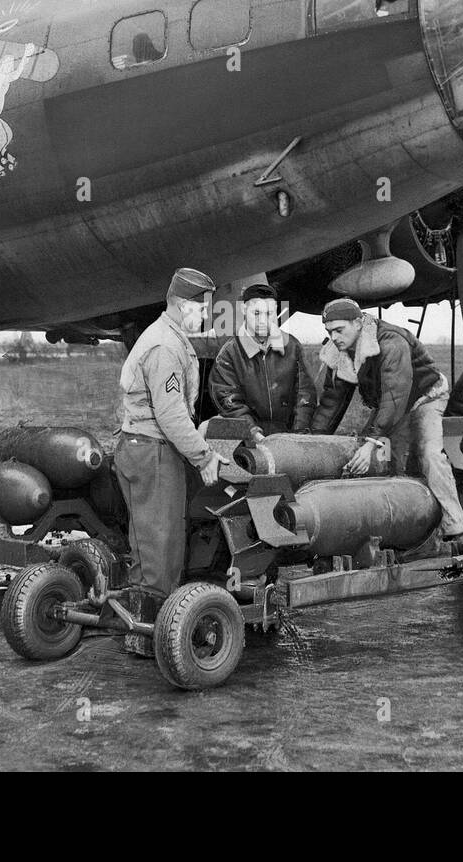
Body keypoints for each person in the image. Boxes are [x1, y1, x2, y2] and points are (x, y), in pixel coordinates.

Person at [310, 298, 463, 556]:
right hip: (391, 402)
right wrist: (312, 441)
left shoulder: (391, 342)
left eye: (339, 330)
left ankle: (457, 529)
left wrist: (371, 442)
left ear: (358, 323)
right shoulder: (341, 350)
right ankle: (393, 531)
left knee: (428, 454)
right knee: (384, 461)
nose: (333, 337)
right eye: (328, 331)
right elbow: (332, 401)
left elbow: (396, 395)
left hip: (425, 397)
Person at [116, 268, 226, 655]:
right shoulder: (164, 346)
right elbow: (172, 415)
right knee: (159, 545)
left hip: (150, 448)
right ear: (181, 306)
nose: (205, 316)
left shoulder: (170, 338)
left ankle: (146, 631)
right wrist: (204, 455)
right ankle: (151, 636)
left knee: (155, 542)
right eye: (200, 309)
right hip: (152, 451)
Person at [208, 283, 316, 439]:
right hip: (249, 437)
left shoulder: (292, 346)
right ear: (244, 310)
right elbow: (228, 399)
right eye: (256, 313)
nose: (263, 320)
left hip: (289, 436)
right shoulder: (229, 353)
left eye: (269, 313)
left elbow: (305, 393)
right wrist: (253, 432)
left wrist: (298, 432)